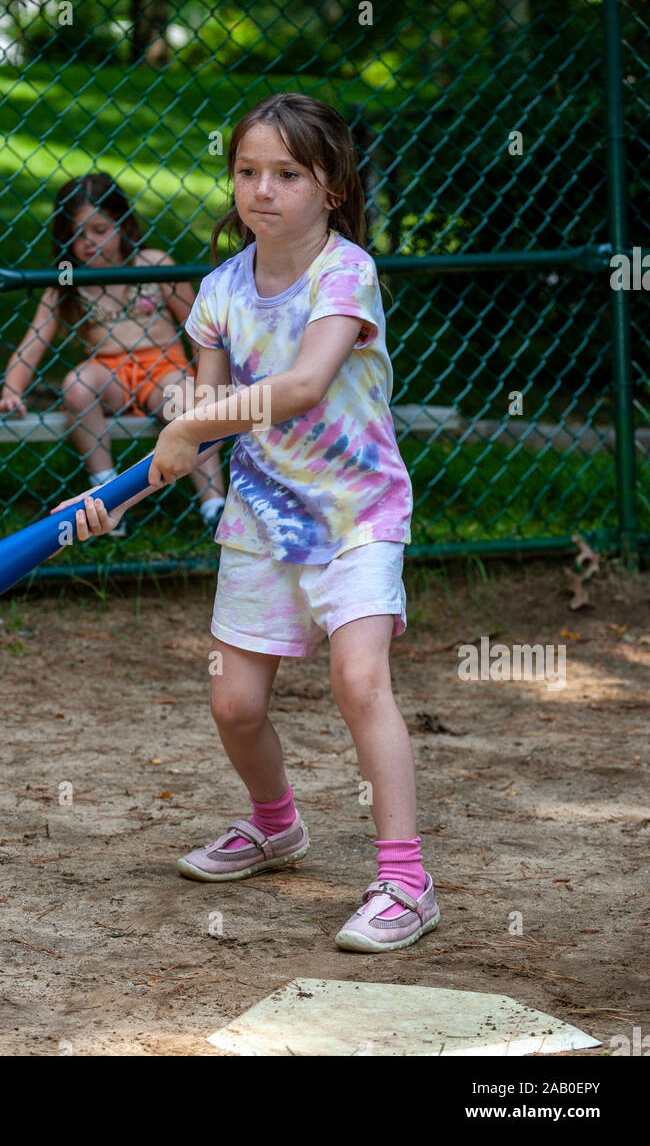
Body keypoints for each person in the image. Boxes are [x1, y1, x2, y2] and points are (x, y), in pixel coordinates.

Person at [60, 95, 439, 953]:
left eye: (287, 174)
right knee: (233, 704)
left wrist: (191, 425)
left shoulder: (345, 274)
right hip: (261, 516)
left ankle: (406, 881)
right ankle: (277, 826)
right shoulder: (223, 290)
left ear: (332, 187)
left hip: (356, 512)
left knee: (359, 680)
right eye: (246, 172)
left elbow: (303, 384)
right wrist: (113, 496)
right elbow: (197, 413)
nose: (261, 190)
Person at [0, 172, 226, 532]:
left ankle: (214, 504)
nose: (88, 242)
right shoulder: (68, 281)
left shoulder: (154, 265)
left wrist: (210, 383)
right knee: (76, 382)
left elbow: (197, 330)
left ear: (122, 224)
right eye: (77, 233)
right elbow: (33, 341)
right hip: (109, 374)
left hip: (165, 367)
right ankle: (106, 495)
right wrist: (12, 392)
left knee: (190, 402)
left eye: (100, 230)